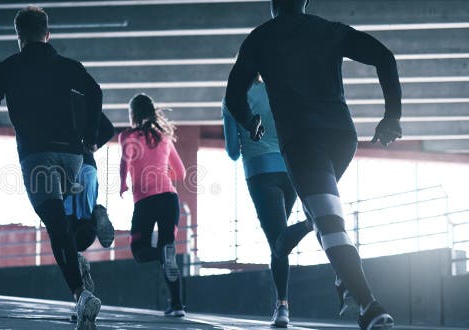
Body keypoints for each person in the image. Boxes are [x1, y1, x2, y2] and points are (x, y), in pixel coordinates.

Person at [224, 0, 403, 329]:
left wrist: (251, 123)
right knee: (324, 213)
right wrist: (392, 116)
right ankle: (339, 269)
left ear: (272, 3)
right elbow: (384, 57)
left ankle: (369, 306)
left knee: (329, 223)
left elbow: (233, 96)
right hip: (341, 138)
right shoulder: (330, 29)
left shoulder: (260, 38)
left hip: (303, 142)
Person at [0, 6, 103, 329]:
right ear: (48, 34)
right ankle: (79, 251)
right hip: (72, 156)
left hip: (36, 156)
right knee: (62, 218)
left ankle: (80, 293)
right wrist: (89, 139)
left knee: (55, 225)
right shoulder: (68, 65)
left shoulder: (7, 67)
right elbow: (95, 91)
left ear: (18, 36)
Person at [222, 77, 312, 327]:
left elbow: (232, 152)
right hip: (290, 172)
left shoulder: (232, 99)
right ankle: (281, 306)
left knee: (278, 242)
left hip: (260, 172)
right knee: (279, 241)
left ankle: (310, 224)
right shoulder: (278, 89)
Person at [119, 94, 186, 317]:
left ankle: (160, 255)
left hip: (145, 201)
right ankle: (177, 306)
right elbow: (181, 173)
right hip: (169, 199)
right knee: (169, 251)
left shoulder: (128, 136)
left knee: (139, 251)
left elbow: (125, 160)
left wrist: (122, 182)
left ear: (133, 114)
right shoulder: (164, 137)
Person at [66, 113, 116, 323]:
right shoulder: (85, 104)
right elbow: (109, 129)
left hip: (67, 166)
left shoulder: (55, 101)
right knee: (83, 226)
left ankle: (81, 290)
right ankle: (96, 215)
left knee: (65, 234)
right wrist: (93, 145)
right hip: (89, 167)